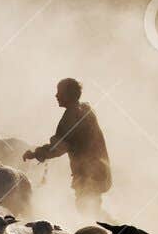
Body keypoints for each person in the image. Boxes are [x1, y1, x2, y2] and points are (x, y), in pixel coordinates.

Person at [23, 78, 112, 215]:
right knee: (92, 208)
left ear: (69, 95)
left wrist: (36, 154)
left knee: (87, 210)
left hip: (88, 174)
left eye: (60, 92)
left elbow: (59, 147)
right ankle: (117, 230)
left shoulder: (71, 116)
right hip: (99, 170)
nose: (56, 96)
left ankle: (116, 232)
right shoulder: (85, 110)